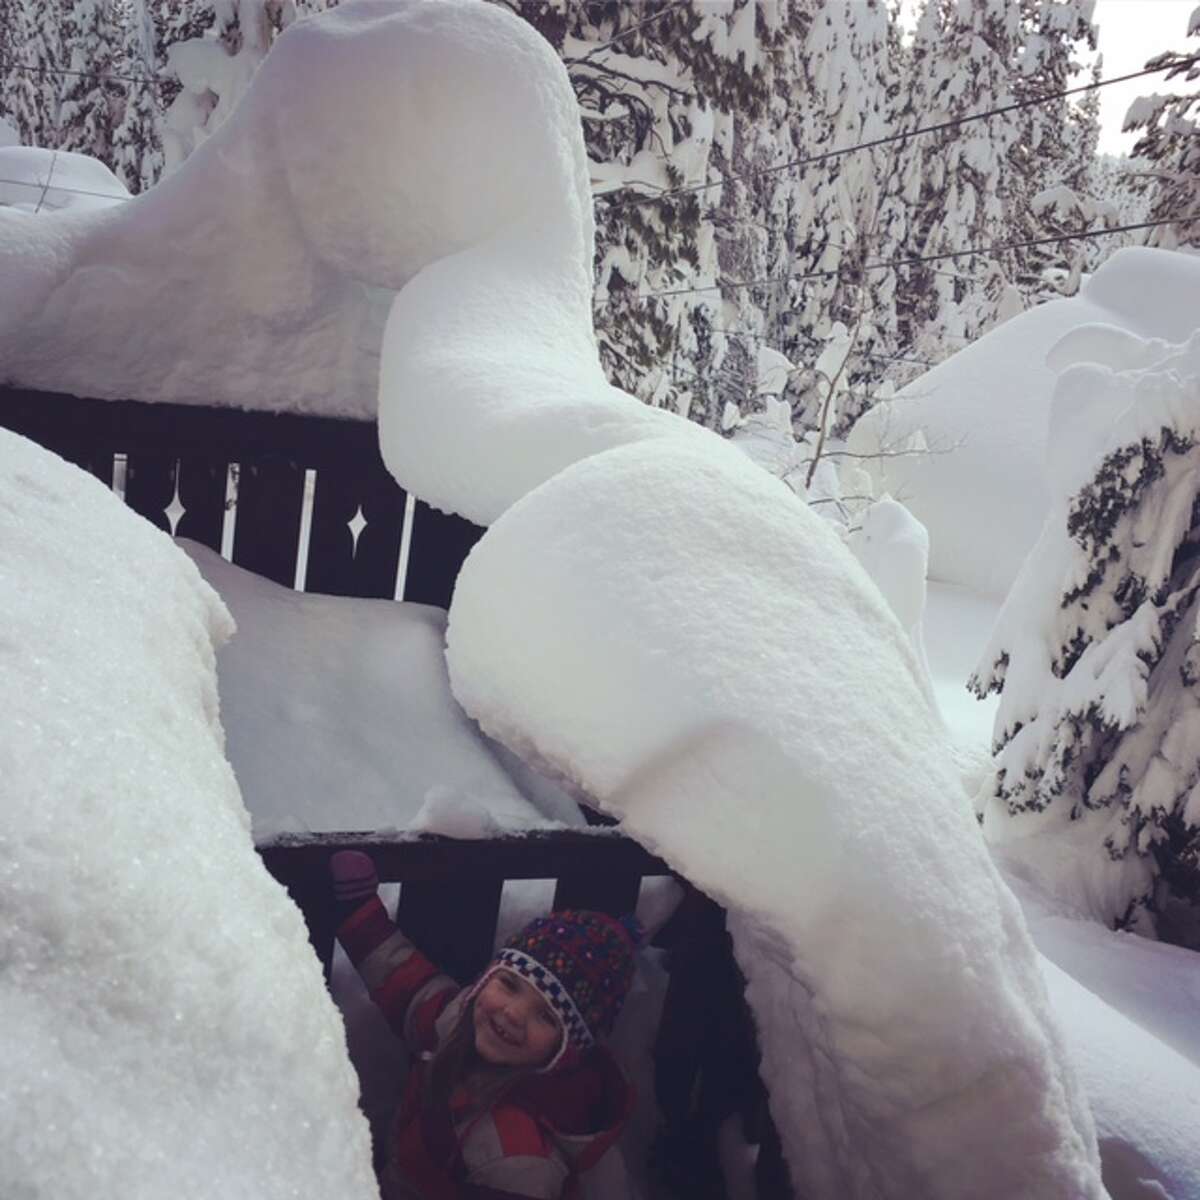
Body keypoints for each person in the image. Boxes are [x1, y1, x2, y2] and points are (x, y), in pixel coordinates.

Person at [330, 850, 639, 1200]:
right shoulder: (457, 1022)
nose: (512, 1013)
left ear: (566, 1050)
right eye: (509, 985)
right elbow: (407, 983)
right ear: (486, 981)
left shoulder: (517, 1162)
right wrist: (360, 914)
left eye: (546, 1016)